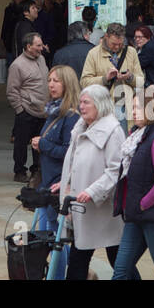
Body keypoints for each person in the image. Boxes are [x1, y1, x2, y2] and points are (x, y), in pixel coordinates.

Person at [52, 84, 125, 280]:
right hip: (81, 207)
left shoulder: (113, 131)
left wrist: (93, 191)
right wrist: (66, 183)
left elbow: (116, 170)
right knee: (79, 257)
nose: (81, 107)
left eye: (86, 102)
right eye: (80, 102)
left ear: (99, 105)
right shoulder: (81, 127)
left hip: (102, 208)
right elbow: (75, 163)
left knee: (117, 259)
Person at [111, 86, 154, 280]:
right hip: (136, 217)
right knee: (121, 271)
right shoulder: (136, 137)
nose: (133, 112)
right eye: (132, 107)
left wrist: (142, 204)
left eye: (138, 108)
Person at [33, 64, 80, 280]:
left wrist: (43, 145)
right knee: (49, 239)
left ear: (67, 84)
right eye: (50, 80)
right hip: (46, 184)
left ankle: (65, 275)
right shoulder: (53, 111)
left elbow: (71, 152)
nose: (51, 84)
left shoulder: (70, 116)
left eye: (56, 81)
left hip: (57, 186)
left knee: (55, 240)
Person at [7, 32, 49, 184]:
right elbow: (12, 91)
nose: (41, 48)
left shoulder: (42, 59)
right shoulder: (17, 65)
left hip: (42, 111)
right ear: (28, 46)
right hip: (26, 111)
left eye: (41, 44)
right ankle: (19, 171)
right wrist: (20, 110)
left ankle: (37, 170)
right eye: (38, 45)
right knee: (21, 144)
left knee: (40, 144)